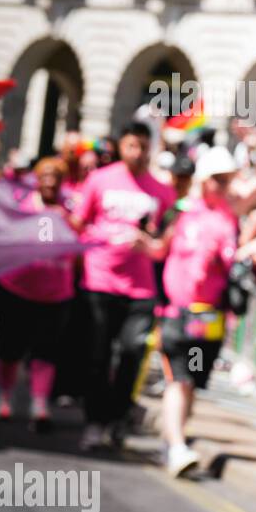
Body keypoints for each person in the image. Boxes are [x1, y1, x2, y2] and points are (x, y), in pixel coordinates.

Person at [72, 121, 176, 450]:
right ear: (121, 146)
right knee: (98, 355)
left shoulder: (161, 191)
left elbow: (166, 240)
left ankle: (117, 417)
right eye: (132, 146)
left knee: (132, 351)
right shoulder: (99, 180)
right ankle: (94, 421)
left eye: (144, 147)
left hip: (140, 288)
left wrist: (149, 243)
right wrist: (103, 239)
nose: (138, 153)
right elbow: (78, 224)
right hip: (100, 281)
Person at [152, 147, 241, 477]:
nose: (223, 187)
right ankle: (176, 446)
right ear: (204, 181)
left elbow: (232, 264)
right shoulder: (180, 213)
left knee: (192, 381)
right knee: (178, 379)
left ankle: (173, 441)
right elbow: (159, 249)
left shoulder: (228, 220)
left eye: (227, 180)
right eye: (218, 180)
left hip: (209, 317)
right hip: (177, 313)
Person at [0, 157, 78, 431]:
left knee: (46, 350)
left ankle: (39, 405)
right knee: (10, 348)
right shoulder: (22, 205)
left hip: (56, 293)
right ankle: (5, 398)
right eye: (45, 175)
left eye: (56, 175)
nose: (50, 180)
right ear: (36, 178)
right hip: (18, 289)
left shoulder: (70, 210)